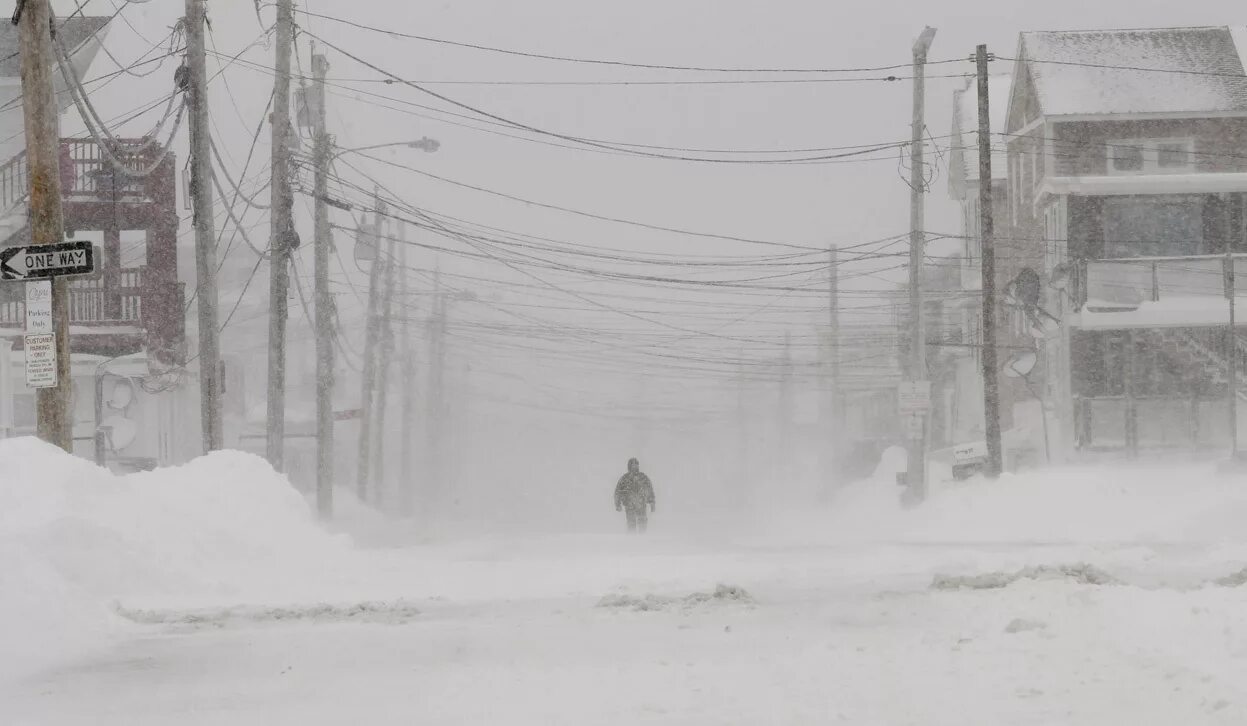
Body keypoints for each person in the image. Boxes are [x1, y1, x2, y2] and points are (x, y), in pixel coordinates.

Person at [614, 458, 655, 533]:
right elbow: (618, 492)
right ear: (629, 466)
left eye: (636, 464)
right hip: (629, 506)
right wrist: (617, 504)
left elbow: (650, 490)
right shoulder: (625, 478)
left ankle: (642, 540)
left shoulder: (643, 477)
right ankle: (632, 542)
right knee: (631, 525)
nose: (635, 467)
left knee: (642, 524)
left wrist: (652, 503)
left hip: (641, 504)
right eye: (633, 465)